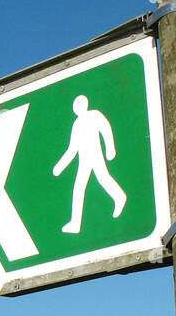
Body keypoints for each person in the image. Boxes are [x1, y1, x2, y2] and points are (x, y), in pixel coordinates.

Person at [52, 94, 127, 233]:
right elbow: (72, 149)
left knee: (103, 178)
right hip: (84, 160)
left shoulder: (94, 115)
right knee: (79, 188)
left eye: (79, 104)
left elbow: (105, 129)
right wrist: (60, 166)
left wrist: (110, 148)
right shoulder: (76, 124)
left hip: (95, 155)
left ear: (85, 104)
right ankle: (75, 223)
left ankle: (120, 197)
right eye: (75, 106)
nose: (77, 108)